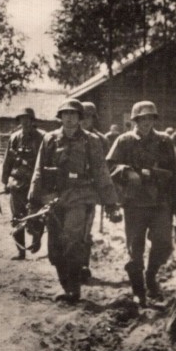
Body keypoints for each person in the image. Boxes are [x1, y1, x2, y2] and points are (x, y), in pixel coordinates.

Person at [29, 98, 121, 303]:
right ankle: (66, 285)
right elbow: (39, 170)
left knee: (72, 241)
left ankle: (73, 289)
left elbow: (101, 171)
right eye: (66, 114)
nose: (69, 118)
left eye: (74, 114)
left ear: (80, 118)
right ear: (60, 117)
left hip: (81, 196)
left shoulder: (91, 141)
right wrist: (33, 200)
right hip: (54, 198)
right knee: (54, 249)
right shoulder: (50, 139)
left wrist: (111, 202)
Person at [106, 101, 176, 306]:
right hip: (134, 204)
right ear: (135, 120)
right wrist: (126, 171)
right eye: (142, 119)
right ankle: (138, 291)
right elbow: (109, 166)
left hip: (160, 202)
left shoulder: (165, 141)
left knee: (164, 244)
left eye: (150, 118)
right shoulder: (124, 141)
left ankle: (151, 276)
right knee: (135, 249)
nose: (146, 123)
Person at [1, 108, 45, 260]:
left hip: (36, 184)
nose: (25, 122)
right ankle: (20, 251)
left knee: (36, 214)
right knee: (17, 217)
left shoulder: (43, 137)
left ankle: (36, 240)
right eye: (21, 119)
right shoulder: (14, 137)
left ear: (33, 121)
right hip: (17, 183)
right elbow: (8, 161)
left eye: (28, 119)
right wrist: (5, 181)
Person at [78, 101, 110, 282]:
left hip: (90, 192)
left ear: (93, 119)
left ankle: (83, 265)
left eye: (88, 117)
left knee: (85, 230)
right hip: (69, 191)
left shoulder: (101, 140)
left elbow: (105, 167)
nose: (84, 121)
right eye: (81, 117)